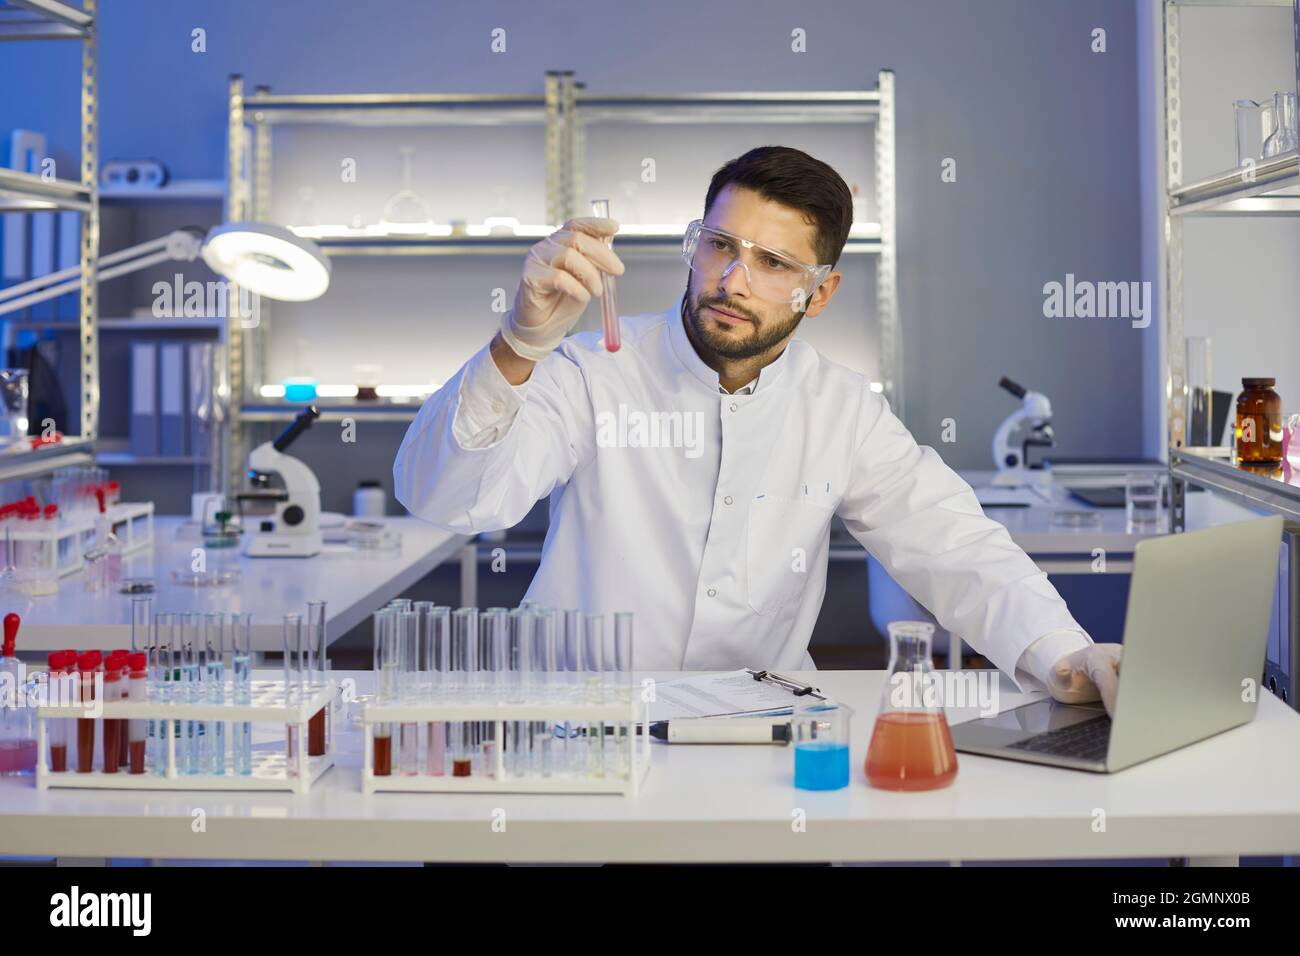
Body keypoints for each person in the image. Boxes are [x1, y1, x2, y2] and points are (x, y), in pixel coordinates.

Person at [394, 145, 1121, 713]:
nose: (732, 280)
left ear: (821, 291)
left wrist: (1064, 653)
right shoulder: (592, 371)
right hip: (576, 728)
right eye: (719, 245)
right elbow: (446, 499)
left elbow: (951, 541)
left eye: (773, 263)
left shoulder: (840, 407)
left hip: (754, 731)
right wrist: (519, 344)